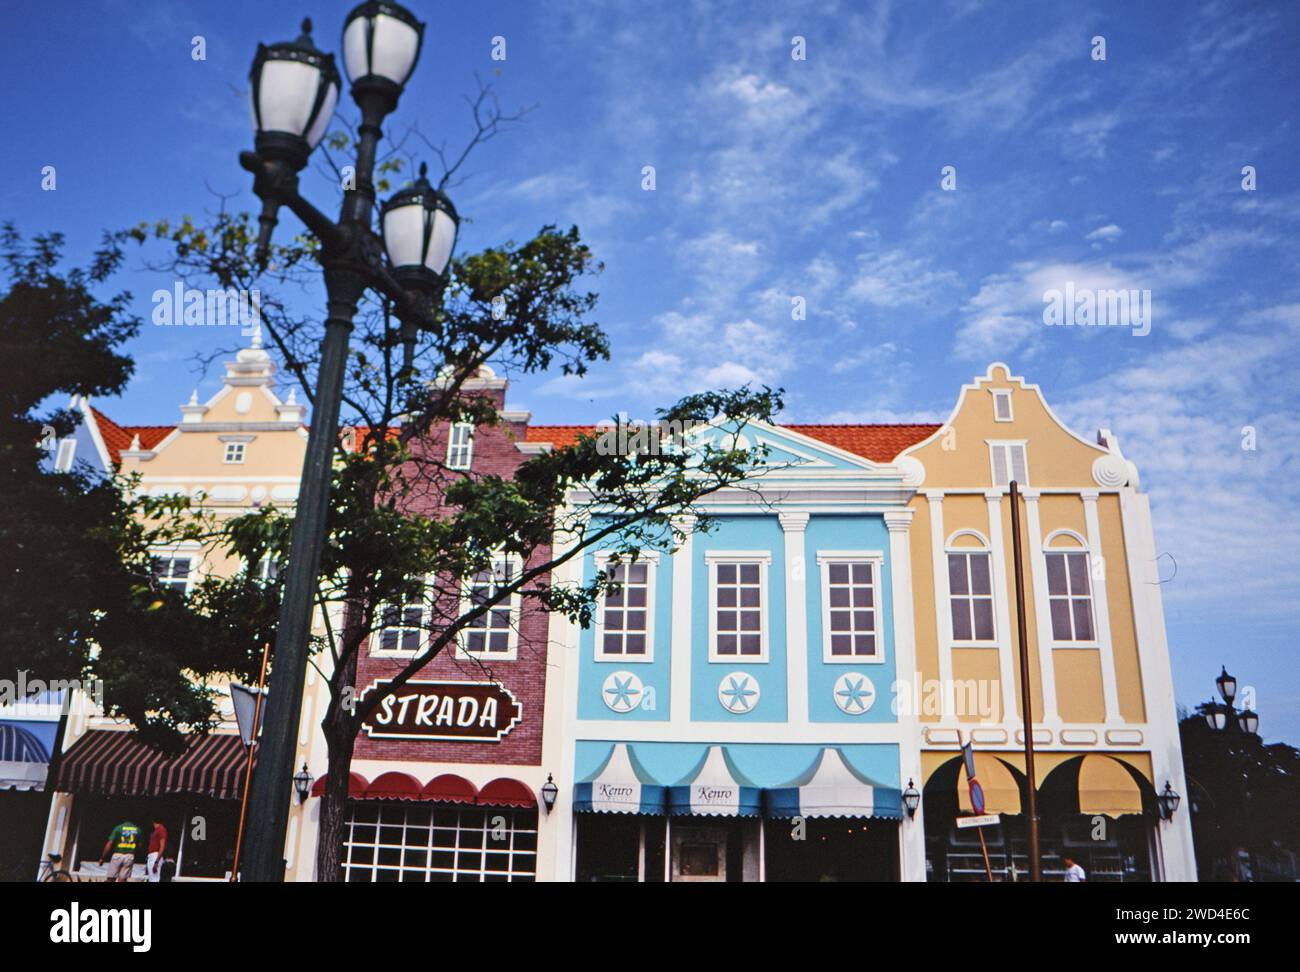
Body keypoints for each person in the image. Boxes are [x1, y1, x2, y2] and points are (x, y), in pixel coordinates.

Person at [146, 818, 168, 883]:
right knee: (151, 878)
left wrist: (156, 862)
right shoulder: (156, 830)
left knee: (154, 879)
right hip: (151, 856)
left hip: (155, 855)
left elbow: (162, 846)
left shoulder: (161, 829)